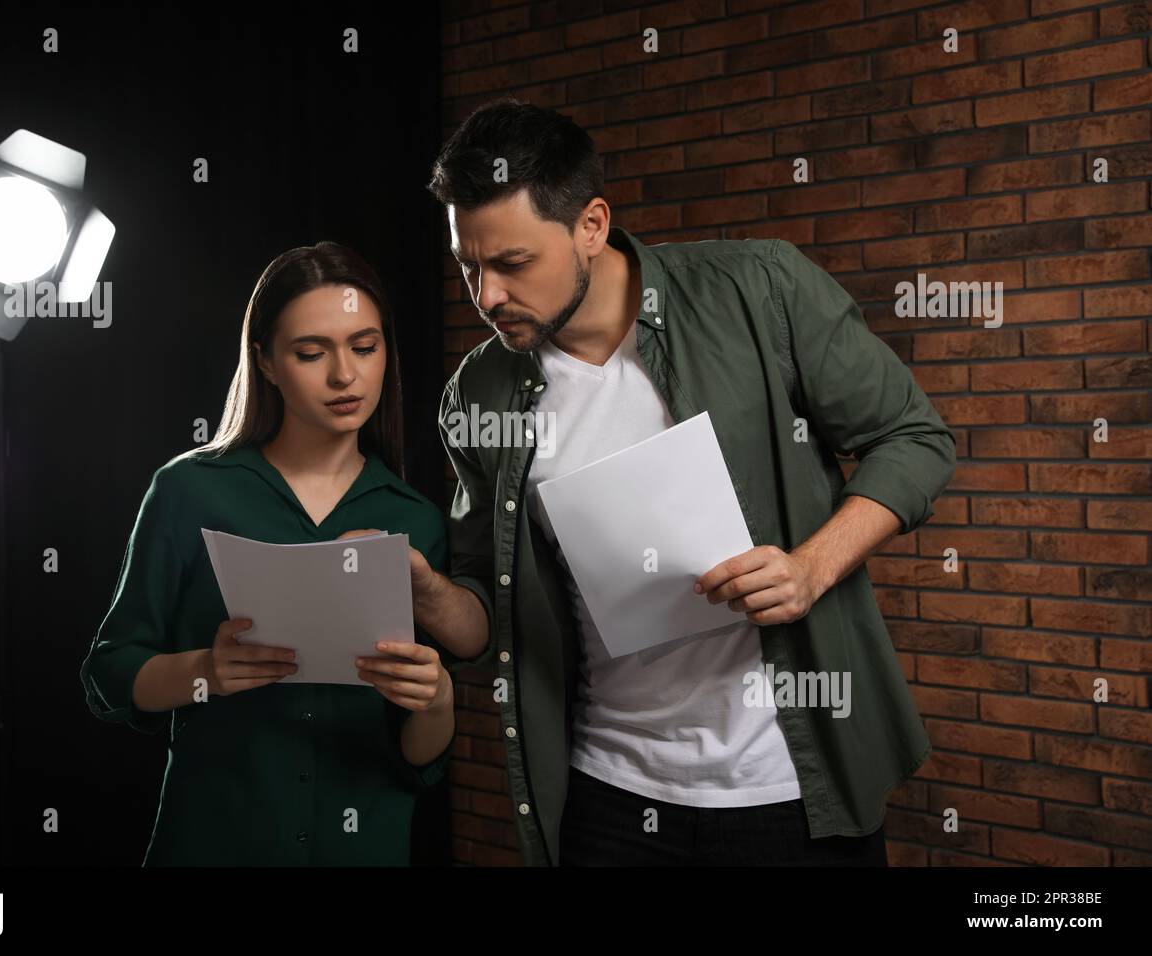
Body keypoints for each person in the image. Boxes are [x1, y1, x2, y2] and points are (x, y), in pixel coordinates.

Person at [406, 97, 957, 866]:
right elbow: (486, 608)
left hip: (791, 791)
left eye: (513, 263)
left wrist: (810, 568)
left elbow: (915, 438)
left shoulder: (759, 291)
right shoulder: (479, 394)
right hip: (608, 798)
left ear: (591, 226)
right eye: (469, 266)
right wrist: (430, 593)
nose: (488, 295)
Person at [80, 241, 455, 865]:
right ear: (268, 363)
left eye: (365, 347)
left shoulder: (413, 519)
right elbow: (109, 674)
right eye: (312, 353)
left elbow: (420, 759)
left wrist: (437, 698)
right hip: (216, 843)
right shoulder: (187, 490)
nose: (345, 375)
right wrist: (206, 672)